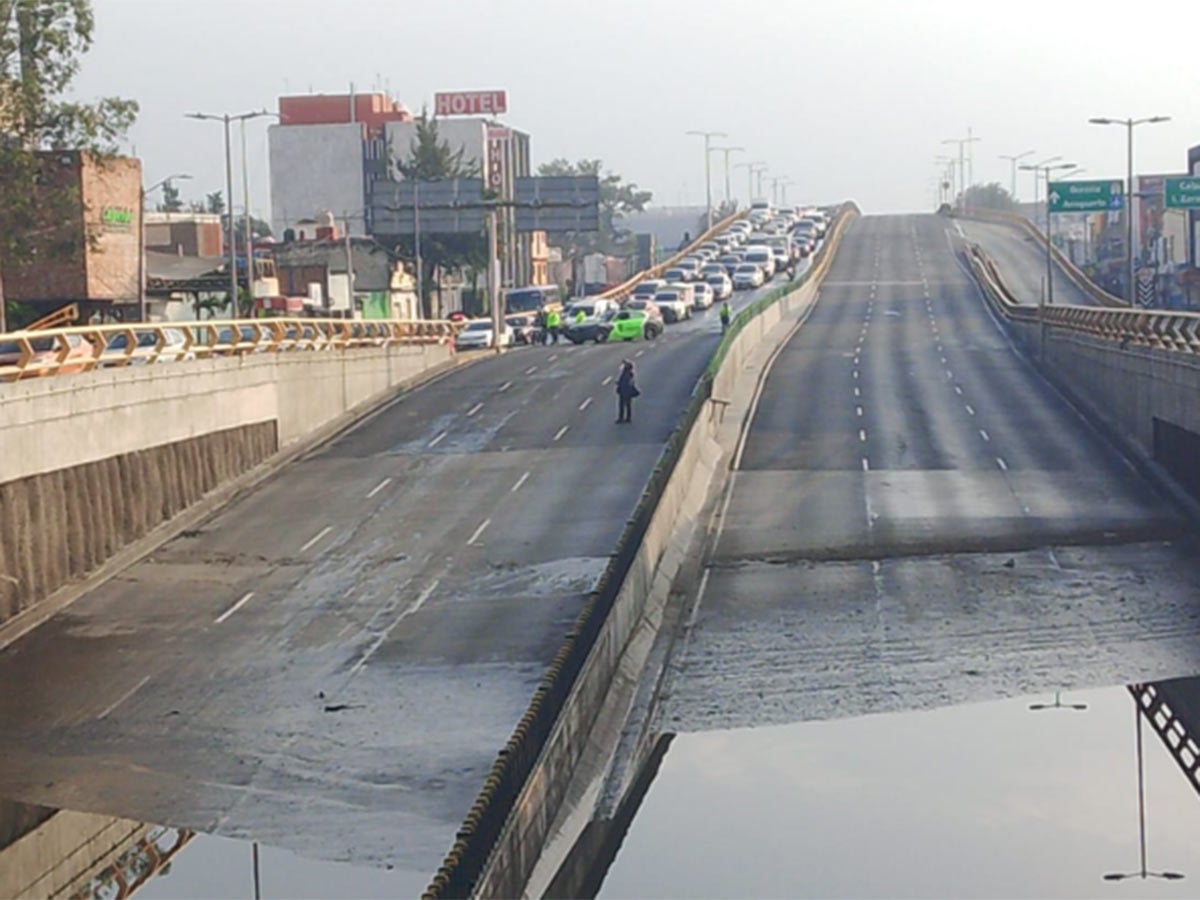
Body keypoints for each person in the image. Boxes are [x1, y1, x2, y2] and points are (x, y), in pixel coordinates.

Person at [615, 359, 639, 424]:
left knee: (625, 405)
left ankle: (625, 418)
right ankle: (624, 418)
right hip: (624, 391)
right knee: (624, 405)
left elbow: (630, 382)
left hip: (626, 391)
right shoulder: (625, 372)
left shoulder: (630, 373)